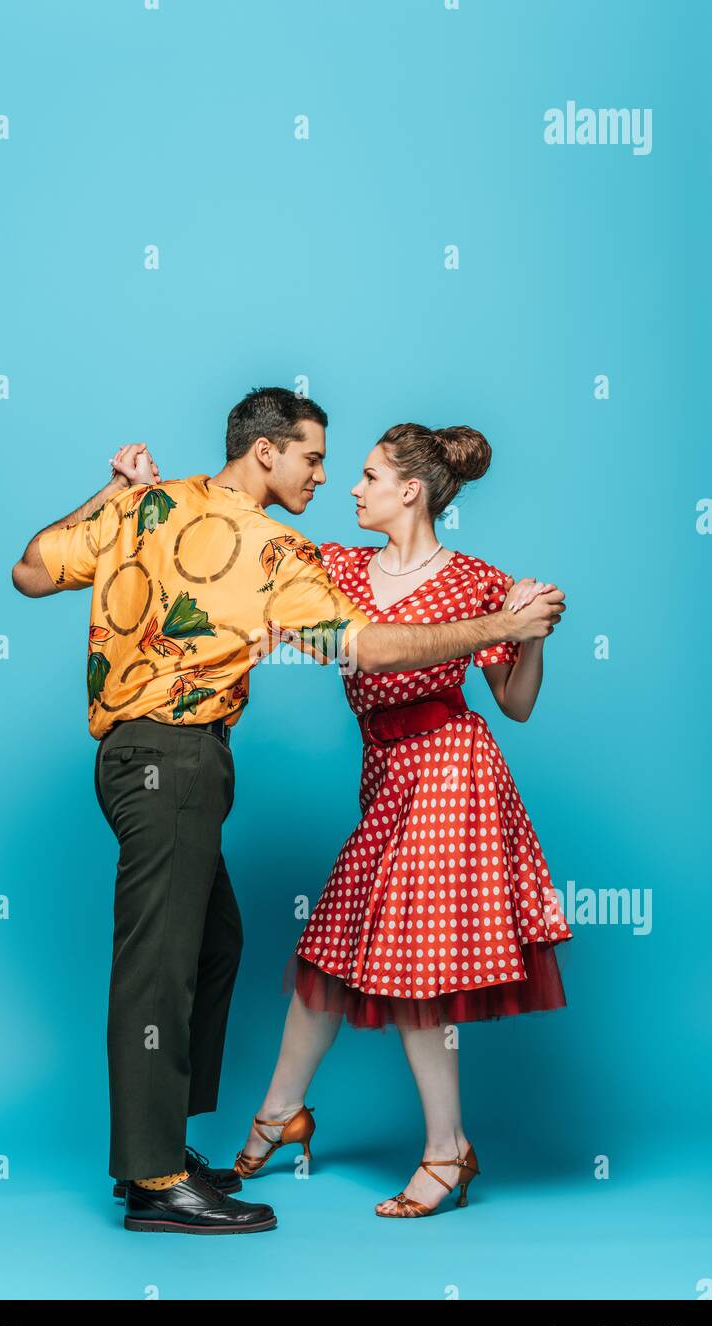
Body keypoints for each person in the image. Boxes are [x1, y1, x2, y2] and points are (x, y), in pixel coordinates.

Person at [10, 388, 564, 1235]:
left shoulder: (157, 505)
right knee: (163, 961)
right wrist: (499, 619)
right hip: (175, 755)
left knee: (214, 942)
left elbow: (32, 571)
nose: (330, 478)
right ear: (265, 452)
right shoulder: (286, 551)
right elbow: (367, 644)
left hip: (192, 758)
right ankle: (154, 1178)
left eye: (356, 470)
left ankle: (199, 1137)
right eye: (315, 458)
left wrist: (116, 495)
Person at [230, 421, 572, 1219]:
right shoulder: (338, 567)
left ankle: (447, 1152)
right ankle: (282, 1115)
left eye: (368, 475)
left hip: (451, 768)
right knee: (331, 948)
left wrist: (532, 633)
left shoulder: (479, 582)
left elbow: (516, 706)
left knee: (417, 966)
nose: (350, 487)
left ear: (409, 490)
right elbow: (263, 584)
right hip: (384, 774)